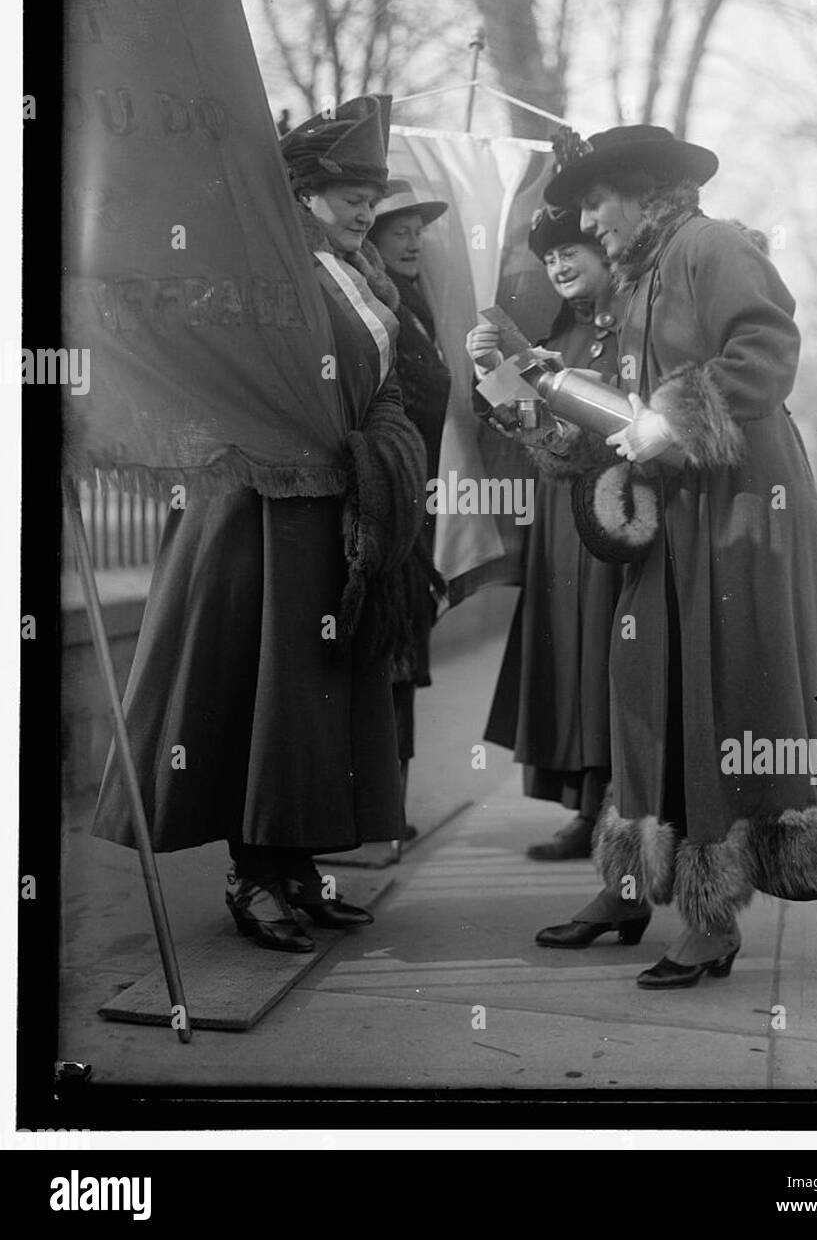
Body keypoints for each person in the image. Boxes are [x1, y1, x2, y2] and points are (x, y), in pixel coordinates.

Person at [530, 122, 817, 988]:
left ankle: (710, 917)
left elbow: (766, 352)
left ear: (641, 190)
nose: (590, 220)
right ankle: (627, 884)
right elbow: (629, 400)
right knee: (646, 689)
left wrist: (673, 417)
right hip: (676, 508)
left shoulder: (713, 245)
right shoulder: (640, 275)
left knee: (720, 696)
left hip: (740, 505)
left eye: (596, 201)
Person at [92, 95, 428, 952]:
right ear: (304, 193)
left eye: (372, 192)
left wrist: (382, 448)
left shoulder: (363, 282)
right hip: (255, 520)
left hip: (333, 517)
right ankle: (252, 877)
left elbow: (381, 389)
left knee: (310, 701)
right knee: (262, 694)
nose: (365, 208)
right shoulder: (265, 272)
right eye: (349, 192)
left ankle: (295, 867)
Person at [466, 206, 651, 947]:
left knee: (614, 672)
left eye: (572, 249)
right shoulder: (555, 328)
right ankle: (587, 809)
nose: (561, 266)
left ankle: (613, 811)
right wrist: (495, 374)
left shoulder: (630, 324)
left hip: (615, 521)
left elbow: (612, 427)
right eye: (550, 258)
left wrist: (527, 366)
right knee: (571, 665)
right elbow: (535, 426)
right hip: (561, 522)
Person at [369, 180, 452, 843]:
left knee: (406, 655)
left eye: (416, 230)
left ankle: (388, 809)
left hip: (415, 500)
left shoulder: (413, 307)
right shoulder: (369, 305)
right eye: (398, 229)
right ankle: (374, 813)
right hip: (382, 503)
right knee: (386, 654)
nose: (411, 240)